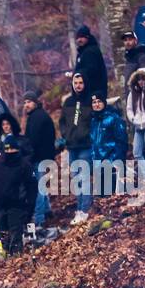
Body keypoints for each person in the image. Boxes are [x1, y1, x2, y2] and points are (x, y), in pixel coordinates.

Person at [60, 72, 94, 223]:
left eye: (81, 82)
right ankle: (79, 209)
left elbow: (93, 121)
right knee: (76, 180)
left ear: (85, 84)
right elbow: (62, 122)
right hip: (72, 146)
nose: (78, 85)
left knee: (84, 178)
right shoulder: (68, 102)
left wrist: (87, 135)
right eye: (76, 82)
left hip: (85, 146)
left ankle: (85, 209)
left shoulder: (89, 100)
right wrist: (66, 135)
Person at [22, 92, 57, 228]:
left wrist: (28, 158)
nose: (26, 105)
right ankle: (47, 211)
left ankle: (39, 219)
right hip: (44, 157)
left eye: (29, 102)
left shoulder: (37, 117)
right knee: (41, 185)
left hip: (40, 158)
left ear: (35, 102)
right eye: (24, 103)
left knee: (38, 188)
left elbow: (33, 141)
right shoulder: (36, 115)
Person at [0, 136, 33, 254]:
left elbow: (31, 187)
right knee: (2, 236)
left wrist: (29, 207)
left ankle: (17, 259)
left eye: (12, 150)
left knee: (15, 235)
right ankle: (4, 259)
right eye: (7, 150)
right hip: (1, 206)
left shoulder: (24, 165)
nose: (10, 152)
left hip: (17, 205)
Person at [88, 94, 129, 202]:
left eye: (99, 102)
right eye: (94, 102)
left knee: (111, 199)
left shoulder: (113, 118)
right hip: (97, 163)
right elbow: (92, 142)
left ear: (104, 103)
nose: (96, 104)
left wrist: (117, 160)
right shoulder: (92, 121)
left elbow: (122, 141)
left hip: (110, 162)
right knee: (100, 199)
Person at [126, 67, 145, 191]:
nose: (141, 82)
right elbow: (129, 109)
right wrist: (133, 119)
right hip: (138, 126)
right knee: (137, 152)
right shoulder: (132, 93)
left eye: (143, 79)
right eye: (138, 79)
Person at [72, 25, 109, 103]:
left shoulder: (90, 51)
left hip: (94, 91)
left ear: (87, 37)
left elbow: (92, 71)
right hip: (88, 91)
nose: (79, 40)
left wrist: (77, 74)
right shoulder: (82, 52)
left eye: (82, 37)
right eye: (77, 38)